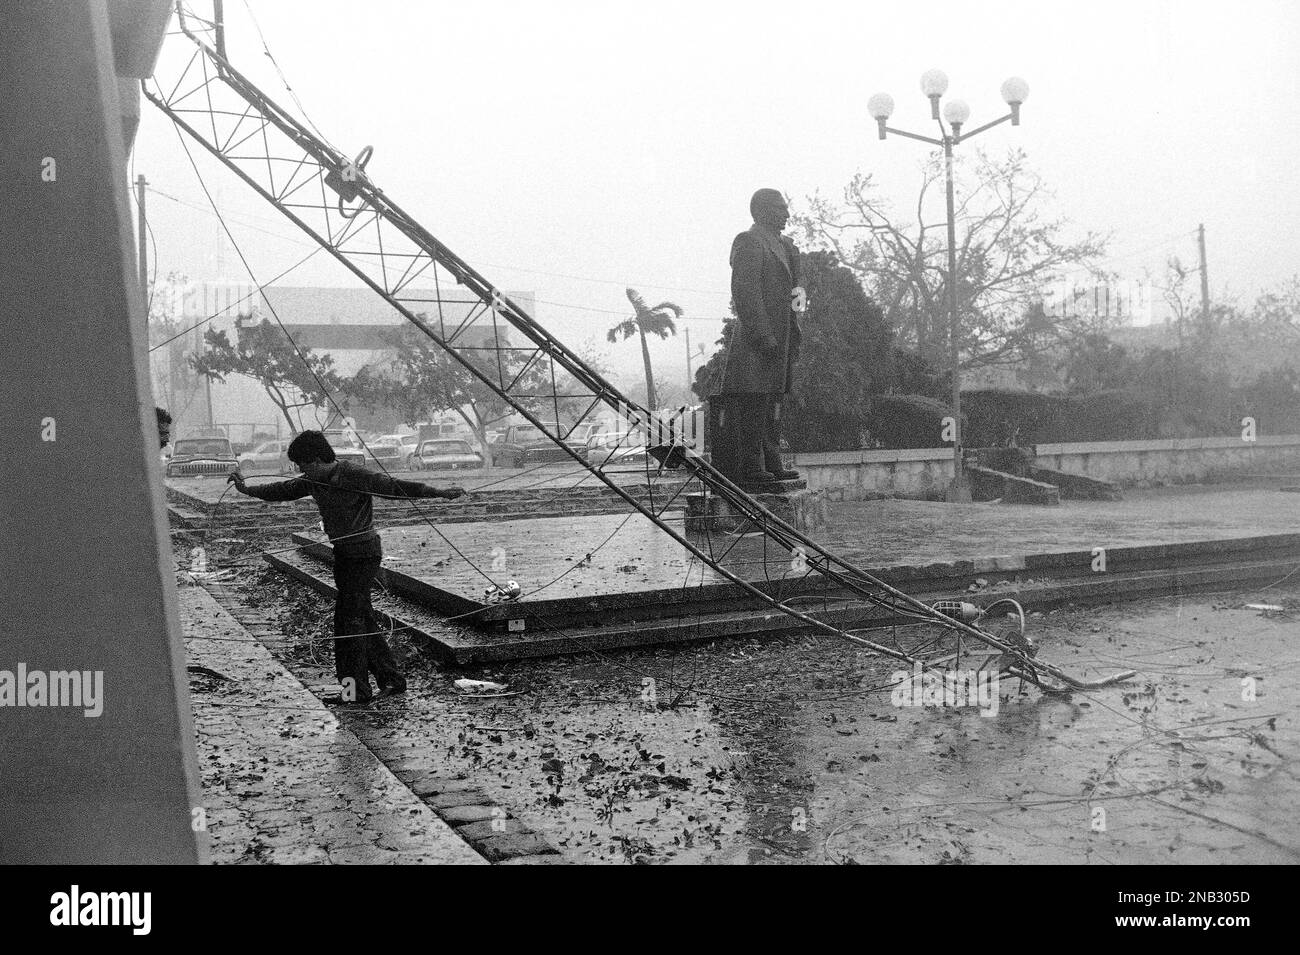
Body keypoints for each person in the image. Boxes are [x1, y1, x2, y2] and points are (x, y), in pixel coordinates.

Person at [229, 430, 465, 705]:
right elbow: (279, 490)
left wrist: (439, 493)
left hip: (364, 555)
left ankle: (355, 693)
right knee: (361, 618)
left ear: (317, 459)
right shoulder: (312, 481)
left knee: (347, 625)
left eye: (303, 465)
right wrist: (246, 490)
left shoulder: (353, 474)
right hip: (343, 556)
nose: (301, 471)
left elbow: (394, 487)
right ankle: (392, 680)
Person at [715, 188, 802, 484]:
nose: (787, 214)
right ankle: (753, 466)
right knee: (754, 405)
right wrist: (764, 336)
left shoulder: (783, 246)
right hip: (758, 341)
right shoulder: (750, 241)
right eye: (780, 208)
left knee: (773, 406)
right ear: (761, 211)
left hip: (783, 339)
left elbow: (795, 295)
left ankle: (772, 461)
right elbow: (746, 293)